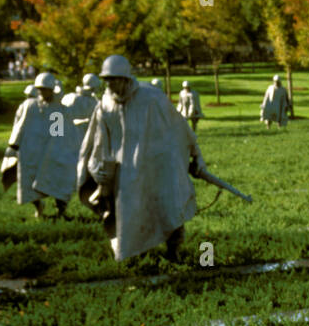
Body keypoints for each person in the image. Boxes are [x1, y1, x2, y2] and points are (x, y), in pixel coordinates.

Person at [77, 55, 224, 263]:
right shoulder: (105, 105)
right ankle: (138, 255)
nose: (110, 84)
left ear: (126, 78)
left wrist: (197, 155)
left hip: (160, 166)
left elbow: (180, 128)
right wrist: (95, 168)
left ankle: (174, 252)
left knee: (169, 208)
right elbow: (98, 142)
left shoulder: (152, 98)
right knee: (129, 214)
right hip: (126, 172)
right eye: (107, 80)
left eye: (115, 79)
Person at [1, 71, 75, 218]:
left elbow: (57, 134)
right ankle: (38, 206)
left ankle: (61, 210)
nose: (43, 92)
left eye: (46, 89)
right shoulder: (30, 105)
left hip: (49, 151)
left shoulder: (57, 109)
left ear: (52, 90)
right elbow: (20, 125)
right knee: (28, 182)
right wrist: (13, 145)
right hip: (30, 150)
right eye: (40, 89)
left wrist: (55, 152)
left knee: (56, 180)